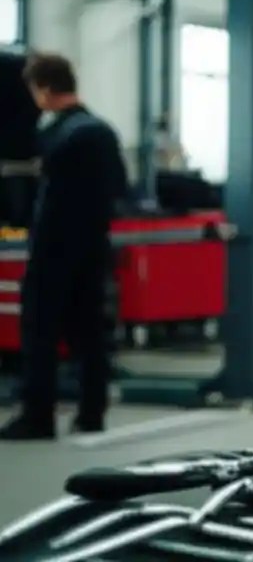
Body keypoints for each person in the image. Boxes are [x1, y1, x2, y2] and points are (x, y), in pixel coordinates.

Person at [1, 53, 127, 440]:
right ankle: (92, 413)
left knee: (40, 329)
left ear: (43, 89)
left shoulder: (56, 136)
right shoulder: (102, 131)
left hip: (54, 246)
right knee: (89, 332)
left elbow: (41, 196)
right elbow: (120, 188)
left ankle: (38, 416)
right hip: (93, 246)